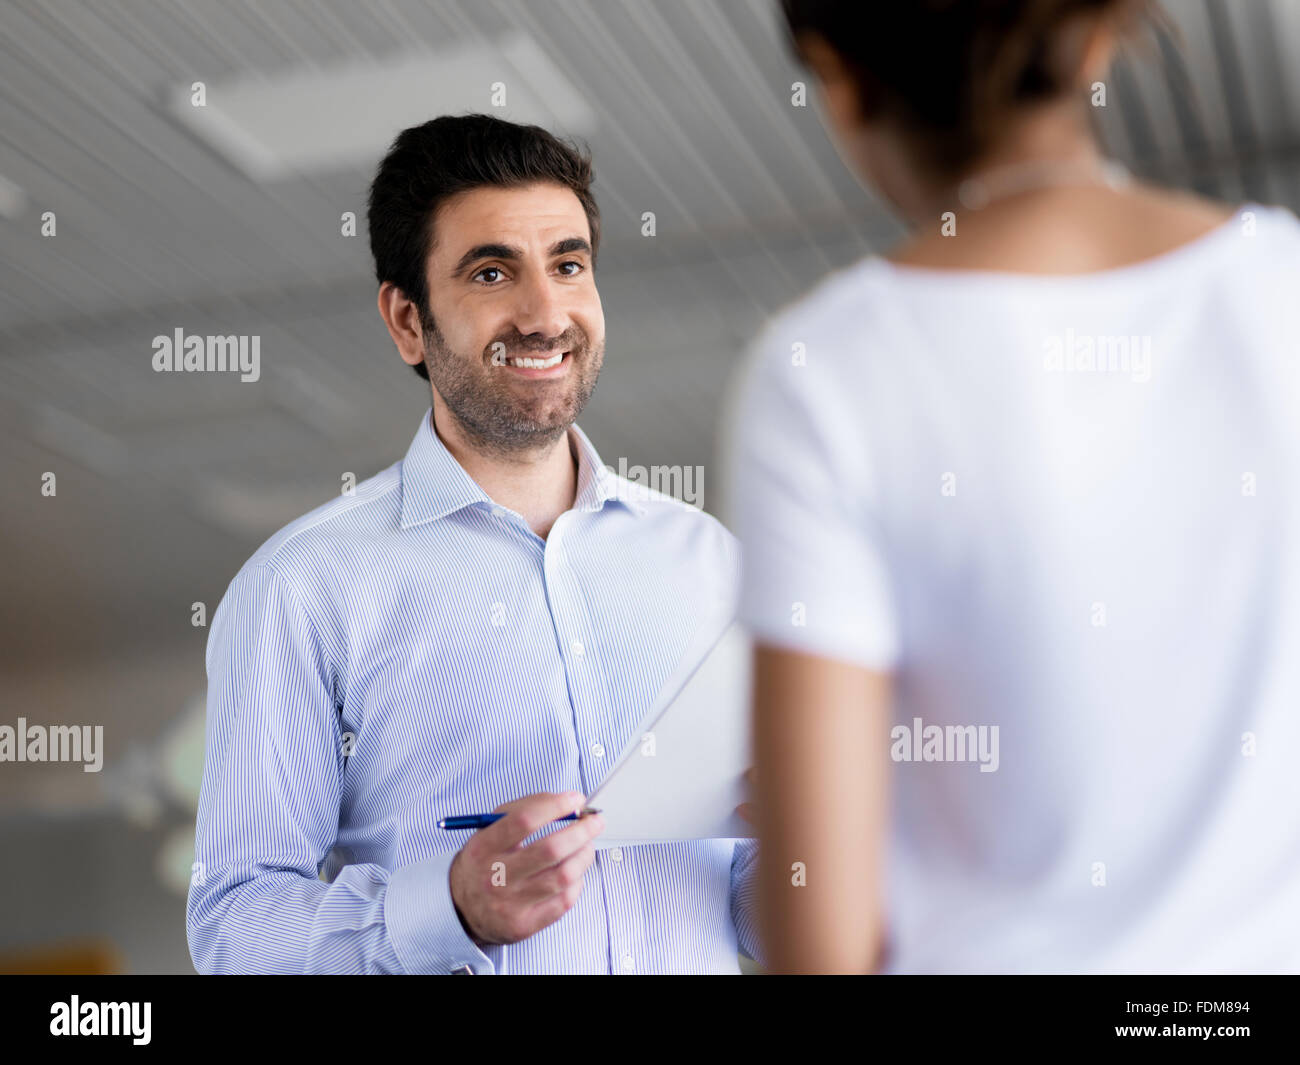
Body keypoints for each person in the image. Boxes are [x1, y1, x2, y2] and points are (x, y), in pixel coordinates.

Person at [726, 0, 1300, 973]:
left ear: (834, 71)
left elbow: (821, 942)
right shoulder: (1282, 288)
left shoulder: (827, 372)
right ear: (1095, 36)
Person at [187, 114, 758, 974]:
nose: (544, 313)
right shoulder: (303, 586)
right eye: (493, 272)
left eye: (568, 264)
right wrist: (448, 909)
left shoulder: (708, 560)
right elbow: (234, 929)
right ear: (408, 322)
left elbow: (749, 904)